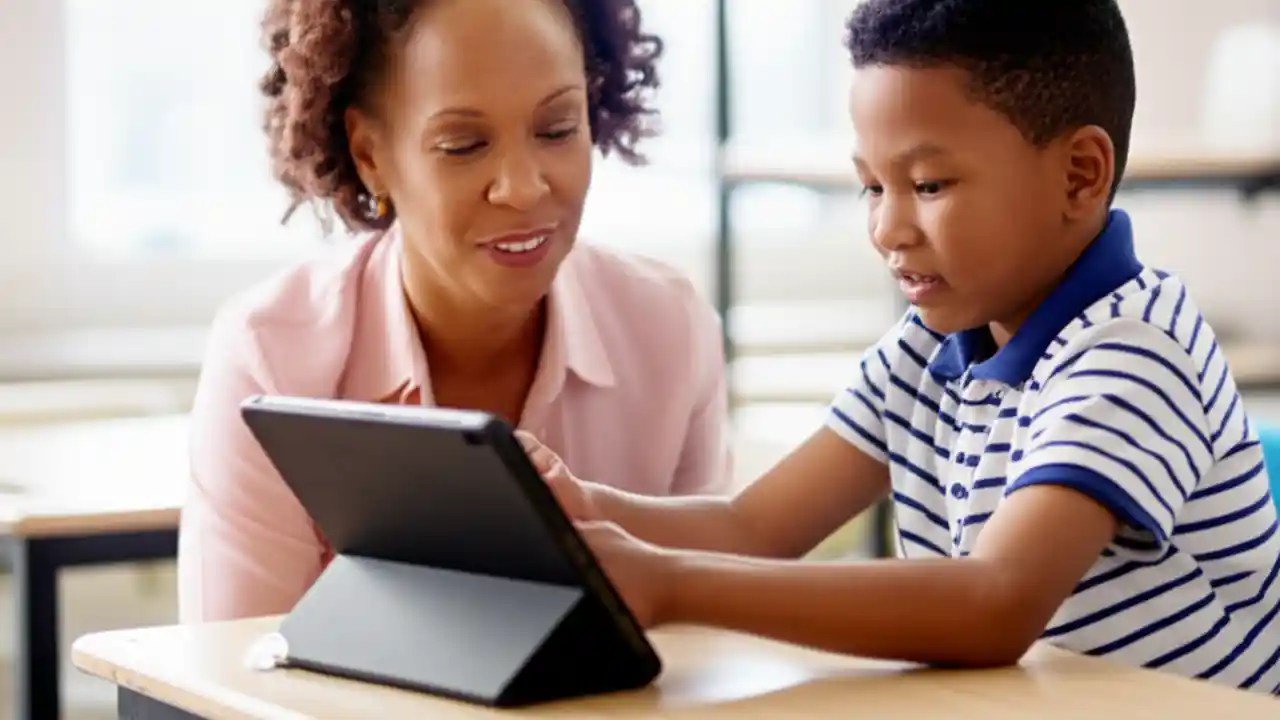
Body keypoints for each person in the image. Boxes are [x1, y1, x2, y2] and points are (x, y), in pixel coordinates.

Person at [522, 0, 1280, 693]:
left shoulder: (1136, 350)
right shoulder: (928, 348)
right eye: (873, 187)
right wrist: (583, 509)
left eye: (929, 185)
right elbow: (753, 529)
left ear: (1080, 176)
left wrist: (671, 583)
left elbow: (997, 600)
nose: (888, 229)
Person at [179, 0, 731, 623]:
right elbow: (232, 678)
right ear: (369, 155)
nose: (522, 187)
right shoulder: (270, 359)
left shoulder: (670, 330)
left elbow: (704, 638)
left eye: (557, 129)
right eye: (463, 145)